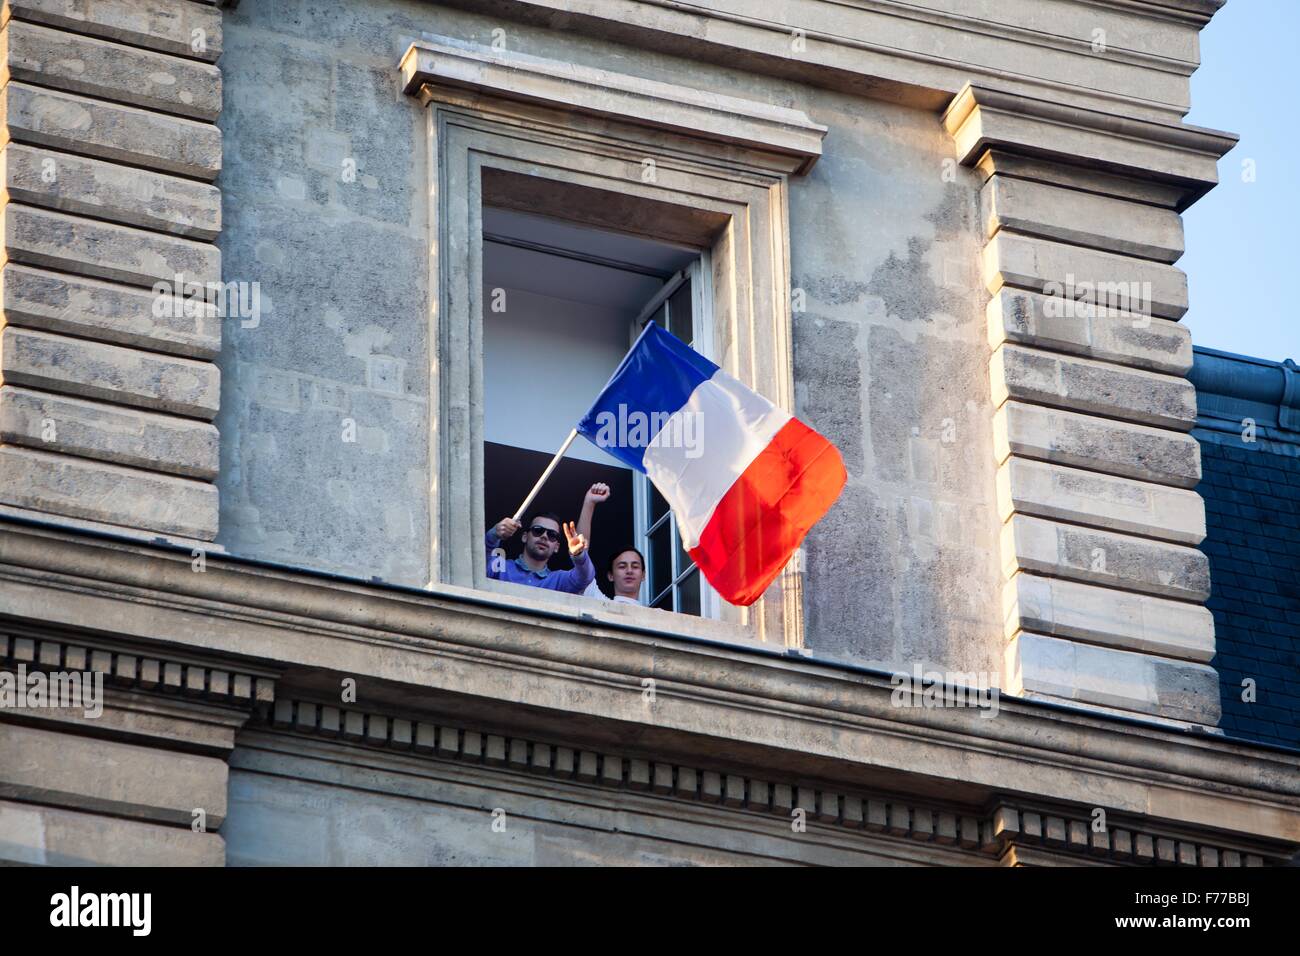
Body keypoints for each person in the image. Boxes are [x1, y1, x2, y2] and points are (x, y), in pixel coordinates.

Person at [485, 512, 593, 594]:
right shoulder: (500, 567)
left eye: (552, 535)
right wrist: (494, 534)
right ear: (525, 537)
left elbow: (585, 578)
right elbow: (474, 562)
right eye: (538, 530)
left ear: (556, 547)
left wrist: (579, 555)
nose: (544, 536)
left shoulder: (559, 581)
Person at [575, 482, 646, 605]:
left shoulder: (657, 616)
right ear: (610, 575)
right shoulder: (598, 602)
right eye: (622, 566)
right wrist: (589, 503)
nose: (629, 571)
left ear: (643, 575)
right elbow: (580, 552)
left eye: (635, 566)